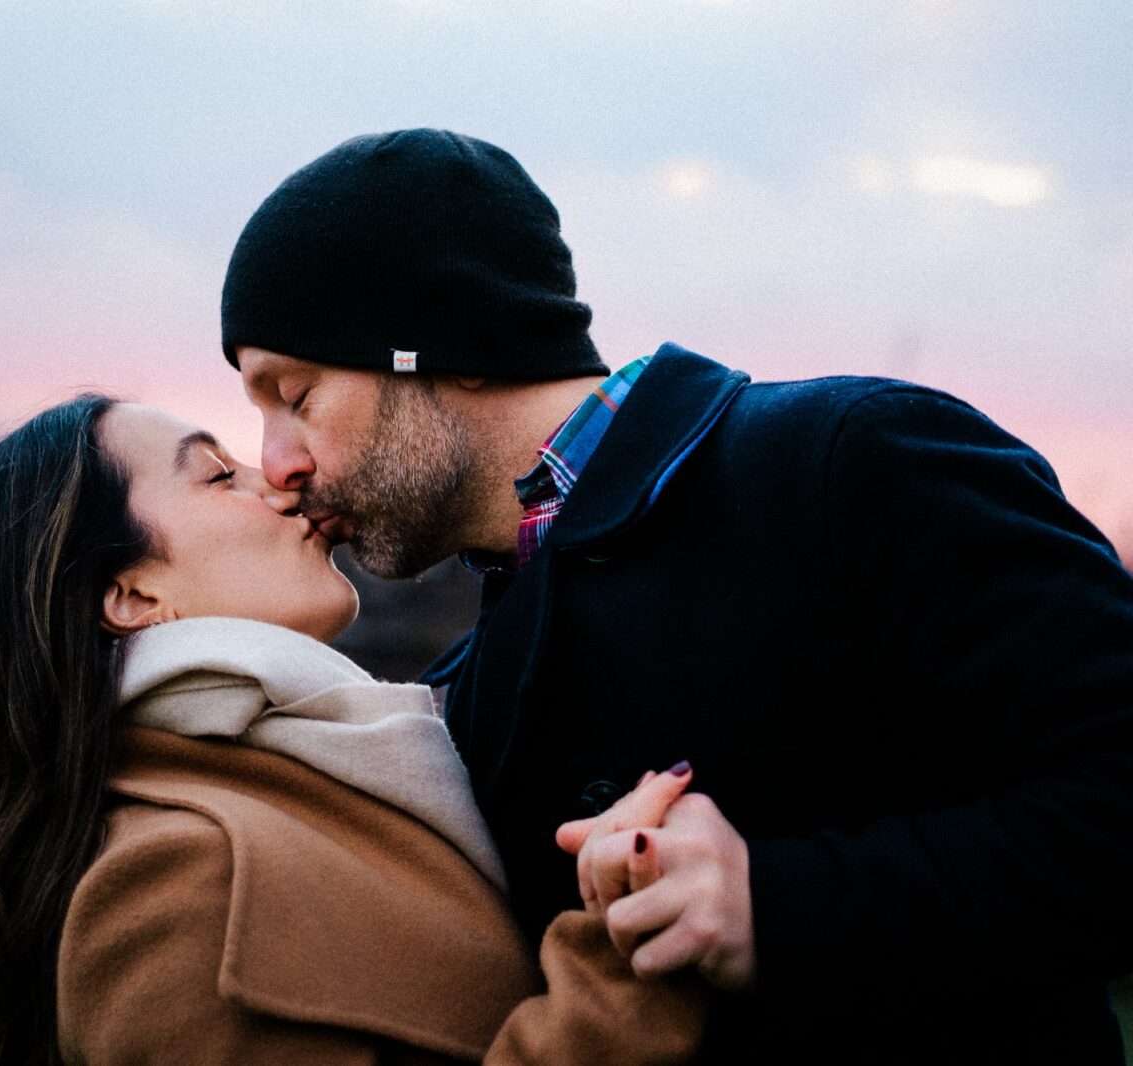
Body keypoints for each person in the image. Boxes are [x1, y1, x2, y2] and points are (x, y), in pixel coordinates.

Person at [219, 128, 1133, 1064]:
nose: (277, 465)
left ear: (448, 341)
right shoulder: (463, 691)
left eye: (295, 395)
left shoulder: (849, 459)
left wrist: (774, 905)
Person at [0, 394, 705, 1066]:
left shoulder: (323, 764)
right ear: (132, 597)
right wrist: (621, 963)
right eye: (217, 476)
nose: (281, 478)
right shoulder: (174, 885)